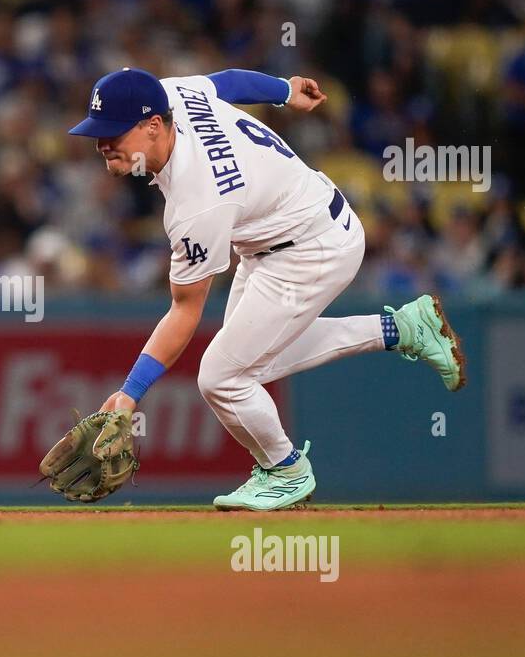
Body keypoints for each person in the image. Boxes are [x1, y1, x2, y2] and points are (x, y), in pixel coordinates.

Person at [67, 68, 466, 510]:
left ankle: (285, 469)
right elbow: (229, 81)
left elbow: (184, 310)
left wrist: (130, 394)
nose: (102, 144)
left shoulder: (198, 203)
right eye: (97, 133)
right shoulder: (169, 94)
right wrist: (285, 91)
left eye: (113, 133)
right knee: (250, 363)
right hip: (284, 230)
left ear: (153, 126)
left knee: (222, 377)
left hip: (312, 248)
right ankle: (403, 328)